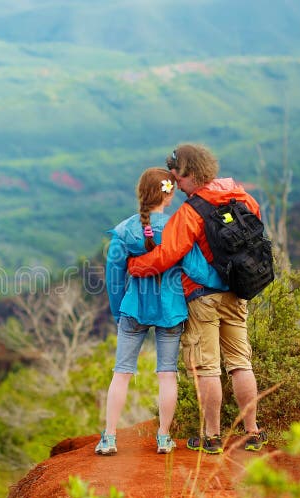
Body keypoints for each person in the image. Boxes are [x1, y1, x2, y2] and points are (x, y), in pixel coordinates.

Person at [127, 144, 268, 454]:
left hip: (203, 298)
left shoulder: (190, 212)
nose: (174, 182)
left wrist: (135, 266)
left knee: (207, 368)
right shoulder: (240, 195)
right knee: (241, 363)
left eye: (176, 175)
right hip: (237, 290)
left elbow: (166, 255)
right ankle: (253, 432)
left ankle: (212, 437)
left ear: (189, 173)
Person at [96, 167, 217, 456]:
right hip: (171, 309)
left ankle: (109, 437)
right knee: (167, 375)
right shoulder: (178, 226)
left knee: (121, 373)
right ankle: (163, 438)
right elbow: (197, 269)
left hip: (134, 309)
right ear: (170, 193)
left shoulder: (124, 230)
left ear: (141, 193)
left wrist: (118, 311)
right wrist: (225, 282)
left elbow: (114, 278)